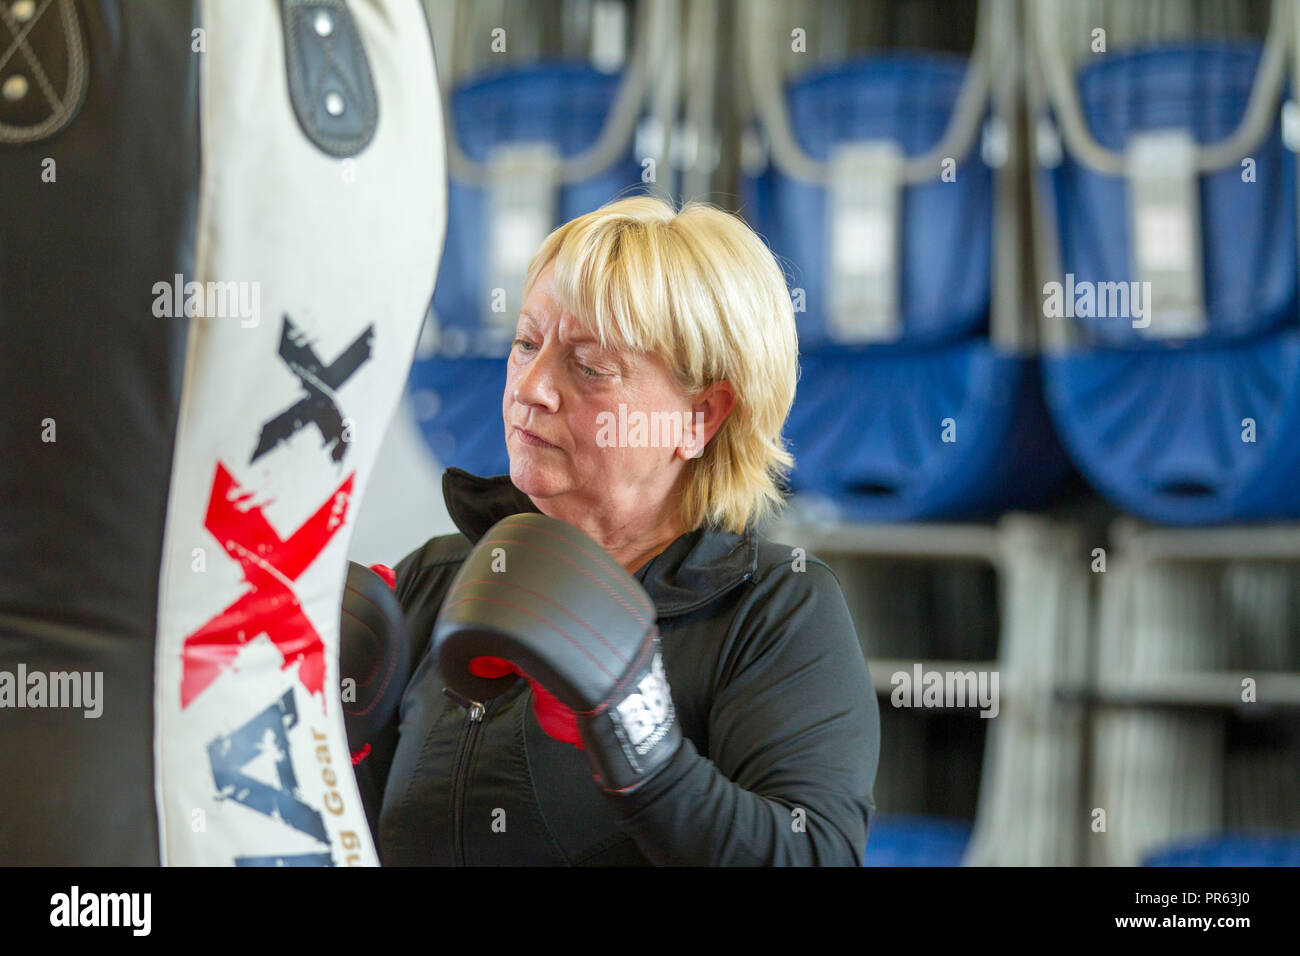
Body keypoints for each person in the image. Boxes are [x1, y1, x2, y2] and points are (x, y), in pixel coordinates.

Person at [375, 195, 880, 865]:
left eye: (588, 367)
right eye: (526, 343)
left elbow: (813, 854)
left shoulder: (774, 612)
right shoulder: (435, 580)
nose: (531, 386)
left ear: (700, 416)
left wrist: (640, 742)